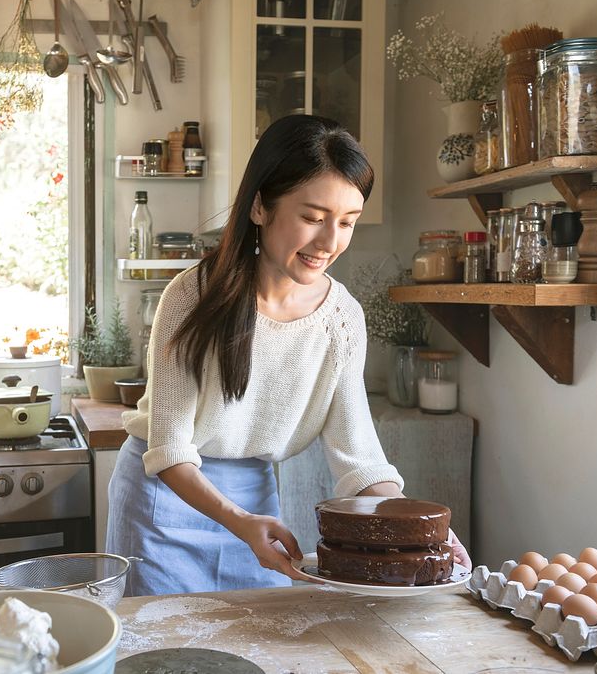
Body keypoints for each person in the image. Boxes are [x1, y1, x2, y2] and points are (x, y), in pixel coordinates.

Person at [106, 114, 470, 597]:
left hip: (254, 500)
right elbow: (169, 450)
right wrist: (238, 521)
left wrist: (421, 530)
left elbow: (359, 459)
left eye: (347, 222)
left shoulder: (341, 318)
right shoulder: (191, 297)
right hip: (165, 501)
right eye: (313, 218)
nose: (330, 242)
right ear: (260, 207)